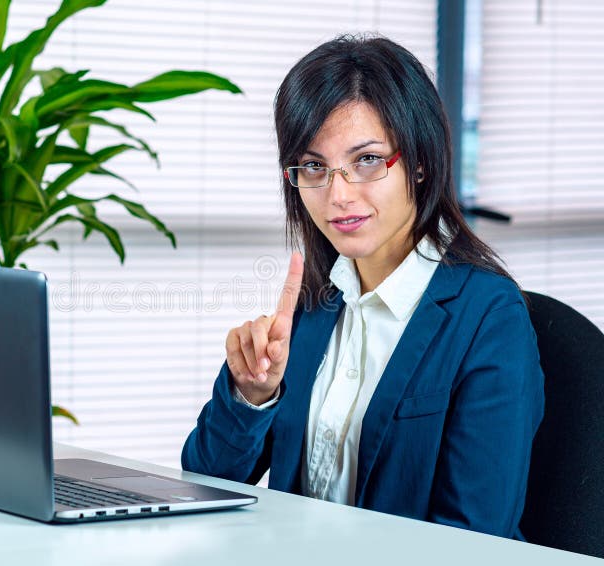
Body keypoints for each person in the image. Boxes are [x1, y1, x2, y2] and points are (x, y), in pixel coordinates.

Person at [181, 34, 544, 540]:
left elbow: (474, 536)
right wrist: (252, 395)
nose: (338, 194)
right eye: (314, 166)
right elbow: (204, 483)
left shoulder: (488, 318)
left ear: (417, 161)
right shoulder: (313, 305)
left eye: (368, 160)